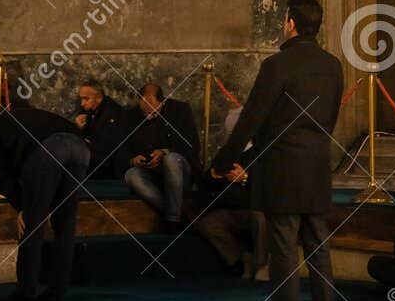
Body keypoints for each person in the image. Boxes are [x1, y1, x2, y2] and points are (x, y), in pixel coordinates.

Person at [211, 0, 343, 301]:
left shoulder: (277, 66)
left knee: (283, 249)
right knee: (319, 247)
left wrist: (223, 161)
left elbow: (251, 119)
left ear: (290, 23)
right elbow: (330, 119)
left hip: (283, 166)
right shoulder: (334, 66)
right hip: (317, 164)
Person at [0, 97, 91, 301]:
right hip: (80, 149)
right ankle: (58, 290)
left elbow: (1, 175)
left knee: (34, 224)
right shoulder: (27, 117)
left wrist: (22, 206)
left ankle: (26, 291)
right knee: (65, 225)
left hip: (50, 151)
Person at [191, 108, 267, 278]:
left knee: (260, 219)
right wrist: (214, 175)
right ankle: (241, 257)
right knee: (208, 224)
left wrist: (245, 178)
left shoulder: (263, 151)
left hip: (254, 207)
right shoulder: (227, 152)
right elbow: (205, 184)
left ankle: (261, 264)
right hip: (229, 209)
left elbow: (270, 183)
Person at [120, 83, 200, 227]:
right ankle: (178, 216)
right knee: (131, 175)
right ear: (139, 102)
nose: (149, 116)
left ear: (162, 102)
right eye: (146, 113)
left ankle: (173, 221)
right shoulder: (129, 116)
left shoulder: (180, 111)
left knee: (170, 159)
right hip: (152, 172)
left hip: (180, 171)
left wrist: (164, 152)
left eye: (154, 112)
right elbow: (121, 149)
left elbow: (193, 145)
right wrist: (133, 159)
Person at [74, 79, 128, 177]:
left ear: (98, 98)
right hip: (96, 157)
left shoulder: (114, 113)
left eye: (86, 99)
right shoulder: (94, 107)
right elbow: (87, 113)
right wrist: (81, 116)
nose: (82, 103)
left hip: (109, 165)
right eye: (81, 99)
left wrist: (83, 141)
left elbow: (105, 147)